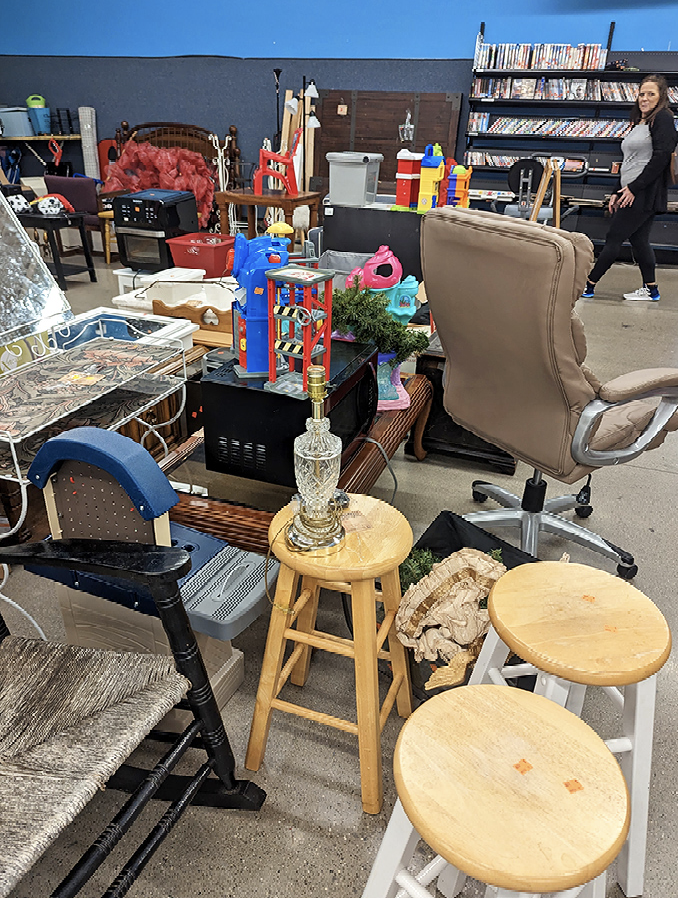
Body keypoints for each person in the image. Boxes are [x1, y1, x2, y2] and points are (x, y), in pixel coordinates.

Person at [581, 74, 677, 302]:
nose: (644, 98)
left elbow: (661, 157)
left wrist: (634, 188)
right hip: (629, 190)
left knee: (614, 238)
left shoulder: (662, 118)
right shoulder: (640, 121)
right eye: (642, 94)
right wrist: (617, 191)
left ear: (661, 96)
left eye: (651, 94)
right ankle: (651, 290)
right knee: (639, 241)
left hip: (643, 193)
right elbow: (629, 161)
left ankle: (587, 285)